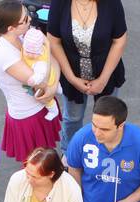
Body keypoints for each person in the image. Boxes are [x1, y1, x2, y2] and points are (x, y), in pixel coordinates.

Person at [65, 96, 140, 202]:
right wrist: (77, 200)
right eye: (94, 125)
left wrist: (130, 201)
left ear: (121, 126)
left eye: (104, 129)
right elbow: (74, 168)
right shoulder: (81, 137)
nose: (96, 133)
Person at [46, 0, 130, 150]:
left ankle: (107, 150)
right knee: (73, 118)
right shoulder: (60, 3)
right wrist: (71, 78)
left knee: (107, 118)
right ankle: (69, 152)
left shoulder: (112, 3)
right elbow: (53, 41)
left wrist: (103, 79)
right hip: (71, 71)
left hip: (106, 72)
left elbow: (119, 41)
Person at [0, 1, 63, 162]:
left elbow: (53, 62)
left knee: (46, 160)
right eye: (25, 19)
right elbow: (40, 81)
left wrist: (52, 84)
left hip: (40, 107)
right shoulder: (4, 54)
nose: (30, 19)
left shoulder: (23, 35)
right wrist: (48, 46)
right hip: (27, 117)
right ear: (10, 28)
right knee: (36, 165)